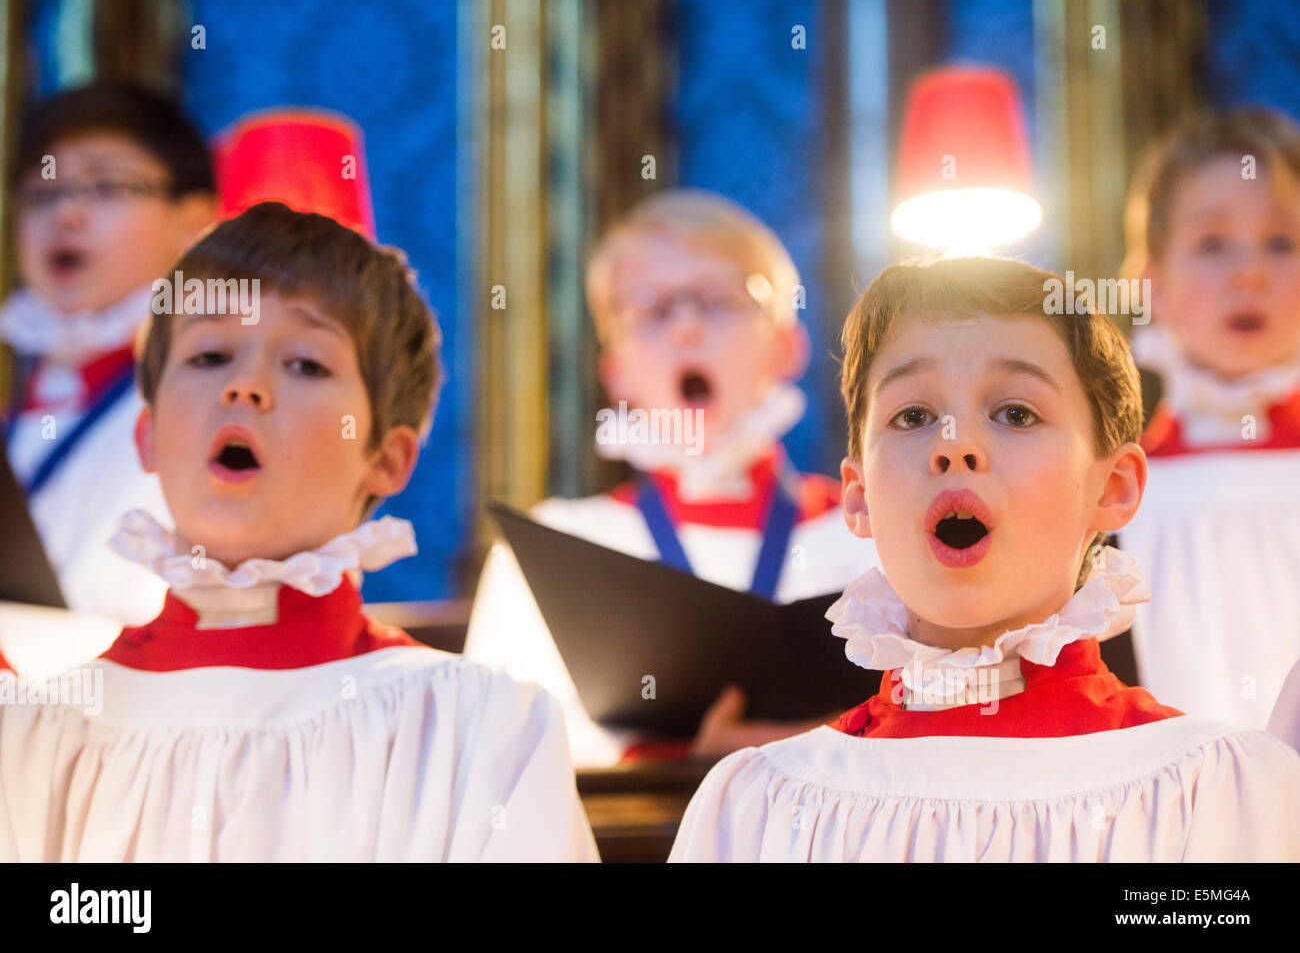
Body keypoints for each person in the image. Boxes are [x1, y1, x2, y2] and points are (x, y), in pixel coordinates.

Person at [0, 202, 598, 862]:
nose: (246, 386)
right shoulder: (42, 736)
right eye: (210, 354)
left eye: (307, 364)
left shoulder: (468, 729)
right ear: (149, 434)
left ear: (386, 457)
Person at [669, 256, 1300, 862]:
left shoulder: (1211, 790)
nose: (955, 445)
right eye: (913, 414)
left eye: (1015, 413)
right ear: (858, 498)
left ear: (1114, 488)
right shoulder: (754, 806)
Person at [463, 189, 879, 765]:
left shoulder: (873, 534)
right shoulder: (557, 544)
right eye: (650, 310)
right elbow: (497, 755)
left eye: (721, 299)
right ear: (618, 374)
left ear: (788, 346)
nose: (685, 329)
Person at [1, 83, 216, 632]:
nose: (66, 214)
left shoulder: (207, 399)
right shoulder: (30, 392)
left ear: (193, 221)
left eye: (105, 186)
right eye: (43, 194)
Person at [1119, 107, 1300, 728]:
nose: (1249, 272)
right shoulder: (1116, 499)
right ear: (1151, 285)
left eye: (1282, 242)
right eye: (1212, 244)